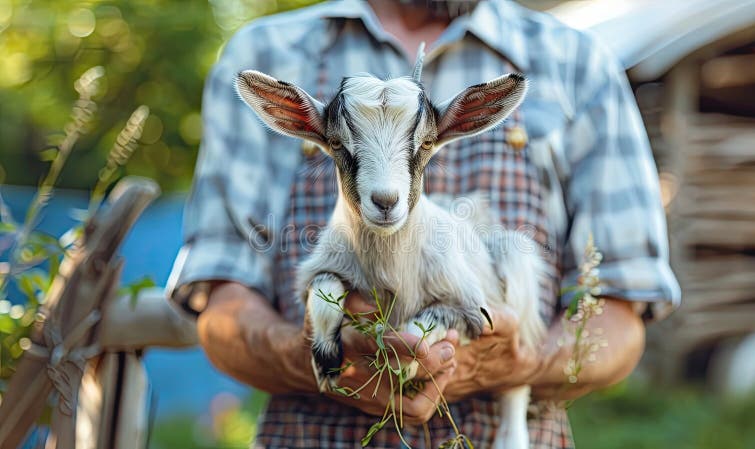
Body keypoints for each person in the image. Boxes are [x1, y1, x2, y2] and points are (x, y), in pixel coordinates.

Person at [167, 0, 681, 447]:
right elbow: (222, 308)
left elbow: (620, 318)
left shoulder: (577, 63)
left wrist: (512, 363)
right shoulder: (265, 52)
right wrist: (316, 358)